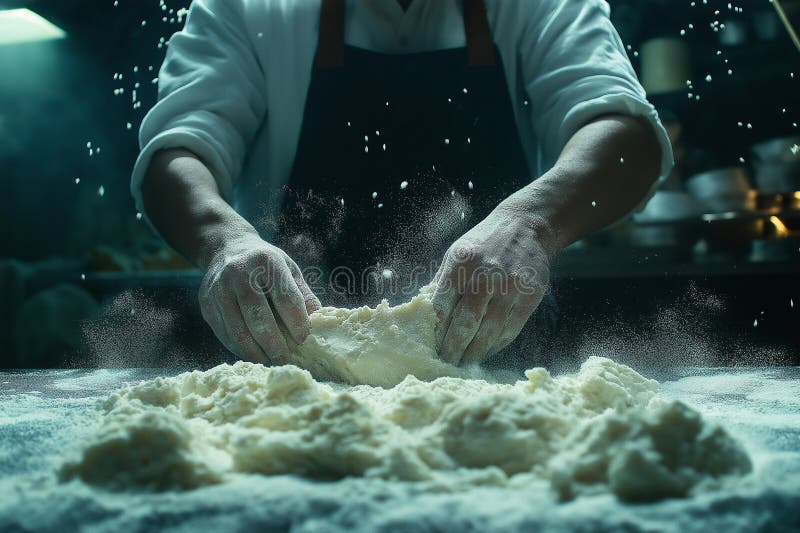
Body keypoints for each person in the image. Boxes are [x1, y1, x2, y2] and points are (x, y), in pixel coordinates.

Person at [134, 0, 672, 369]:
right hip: (290, 374)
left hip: (498, 373)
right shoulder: (250, 7)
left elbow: (627, 137)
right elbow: (177, 154)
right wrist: (224, 239)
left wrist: (531, 224)